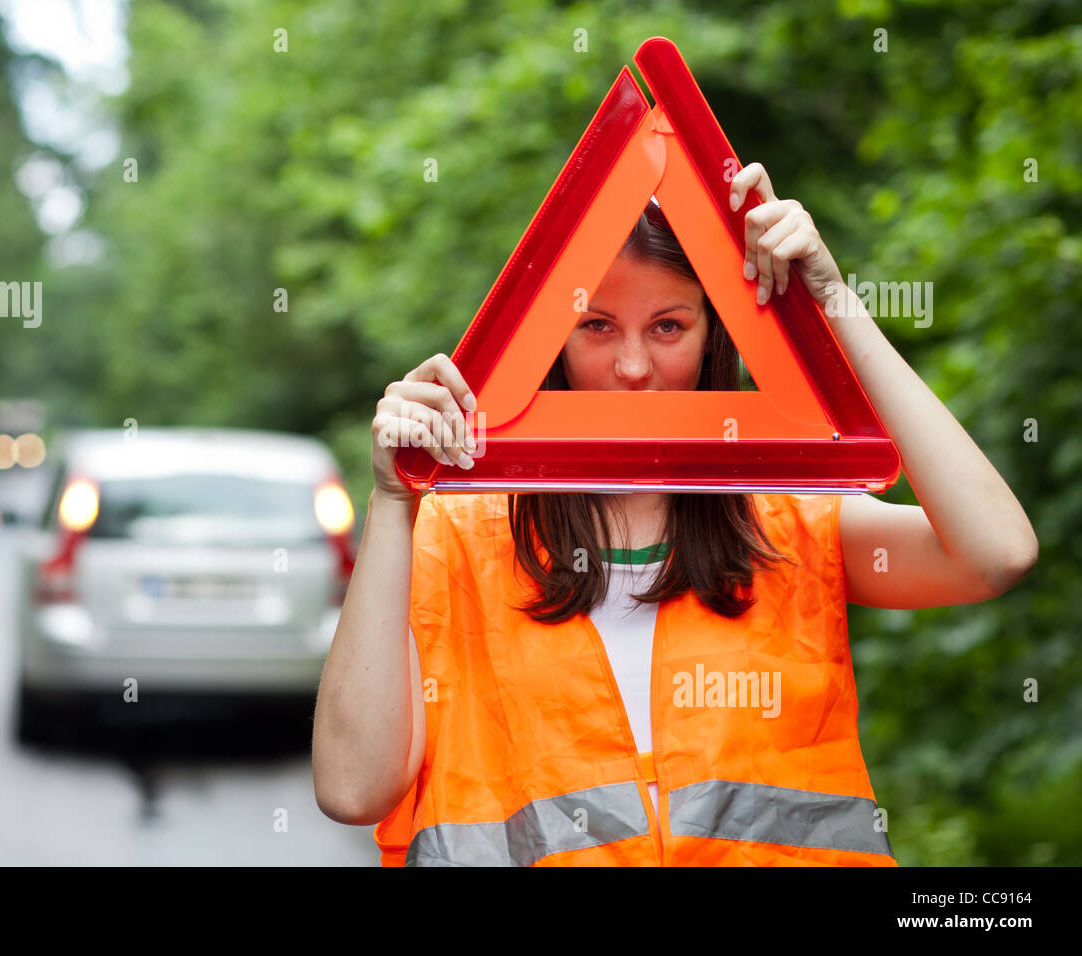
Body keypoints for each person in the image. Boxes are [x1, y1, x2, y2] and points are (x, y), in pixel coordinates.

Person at [311, 162, 1038, 866]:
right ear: (548, 339)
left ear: (715, 334)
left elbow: (995, 552)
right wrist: (395, 498)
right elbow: (351, 788)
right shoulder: (451, 534)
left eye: (667, 326)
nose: (632, 367)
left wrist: (833, 304)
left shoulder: (787, 524)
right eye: (596, 325)